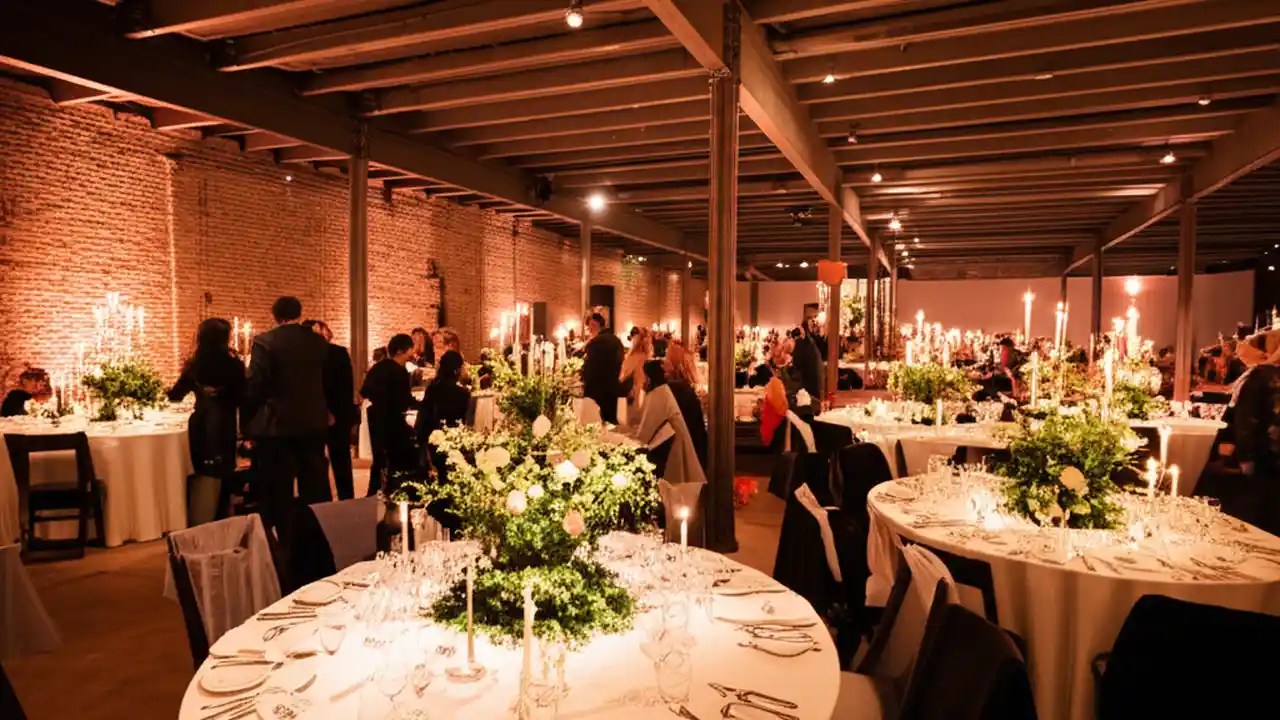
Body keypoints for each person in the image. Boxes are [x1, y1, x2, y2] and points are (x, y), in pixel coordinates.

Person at [243, 296, 332, 538]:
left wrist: (248, 419)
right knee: (313, 479)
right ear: (299, 313)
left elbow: (256, 384)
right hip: (313, 421)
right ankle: (316, 530)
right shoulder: (318, 342)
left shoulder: (265, 342)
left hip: (278, 424)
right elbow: (328, 381)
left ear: (275, 316)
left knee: (278, 483)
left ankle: (281, 532)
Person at [168, 318, 245, 520]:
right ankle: (223, 518)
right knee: (224, 472)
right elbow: (244, 396)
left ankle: (200, 519)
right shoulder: (234, 365)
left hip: (201, 424)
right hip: (225, 424)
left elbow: (175, 396)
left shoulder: (195, 365)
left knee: (202, 472)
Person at [415, 350, 471, 530]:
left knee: (440, 478)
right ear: (457, 370)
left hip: (434, 439)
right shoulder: (462, 394)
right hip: (454, 440)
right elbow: (467, 421)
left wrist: (422, 440)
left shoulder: (433, 388)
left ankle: (440, 511)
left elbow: (424, 416)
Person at [303, 319, 356, 501]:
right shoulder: (334, 353)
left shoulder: (334, 353)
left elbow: (343, 387)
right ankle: (338, 497)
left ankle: (335, 498)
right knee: (325, 459)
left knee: (332, 458)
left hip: (329, 412)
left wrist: (331, 410)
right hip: (325, 412)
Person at [361, 333, 419, 495]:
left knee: (379, 458)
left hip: (376, 419)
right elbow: (404, 400)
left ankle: (374, 491)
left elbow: (364, 391)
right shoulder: (399, 372)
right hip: (392, 422)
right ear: (401, 351)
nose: (412, 353)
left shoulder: (379, 367)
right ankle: (398, 489)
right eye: (410, 349)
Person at [663, 340, 708, 469]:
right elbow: (697, 429)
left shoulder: (666, 388)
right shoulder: (685, 391)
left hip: (672, 452)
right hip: (691, 453)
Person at [582, 312, 624, 424]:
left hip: (597, 391)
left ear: (595, 324)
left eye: (590, 327)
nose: (589, 330)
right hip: (612, 388)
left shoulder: (596, 343)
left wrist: (584, 380)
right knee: (610, 422)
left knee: (596, 424)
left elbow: (589, 369)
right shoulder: (617, 341)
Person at [788, 325, 822, 408]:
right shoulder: (811, 343)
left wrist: (790, 367)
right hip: (815, 380)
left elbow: (797, 363)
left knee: (808, 403)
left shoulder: (800, 344)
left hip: (807, 381)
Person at [620, 326, 653, 404]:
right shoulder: (648, 359)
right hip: (647, 396)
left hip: (635, 396)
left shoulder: (632, 359)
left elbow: (622, 378)